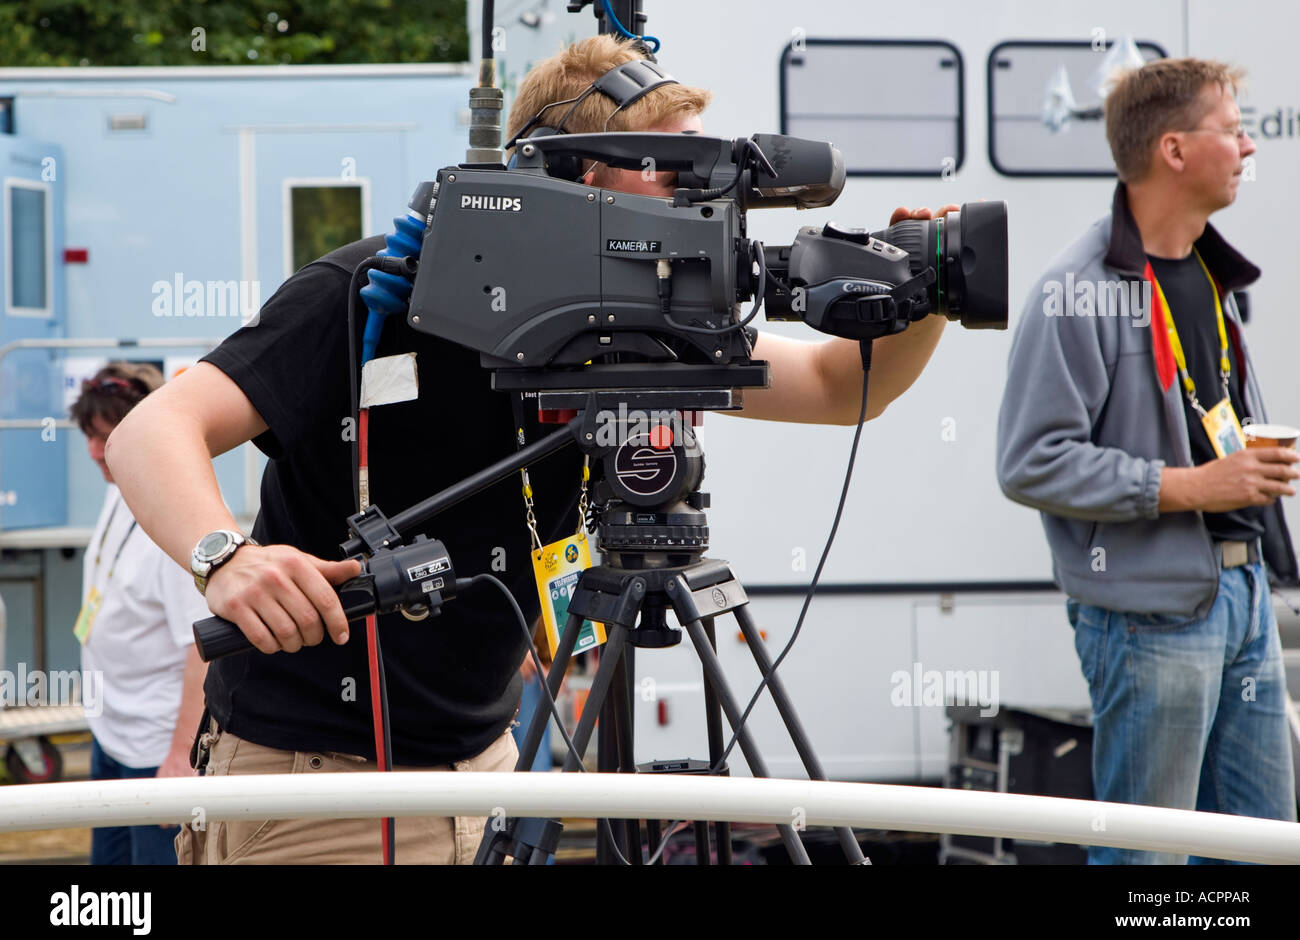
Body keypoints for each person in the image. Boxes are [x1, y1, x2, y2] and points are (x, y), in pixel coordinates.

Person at [106, 35, 958, 865]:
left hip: (487, 776)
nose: (698, 205)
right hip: (313, 794)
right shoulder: (372, 296)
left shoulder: (646, 320)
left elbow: (843, 388)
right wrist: (224, 556)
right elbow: (153, 430)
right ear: (573, 177)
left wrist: (926, 298)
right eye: (669, 171)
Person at [997, 58, 1298, 864]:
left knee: (1262, 851)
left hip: (1242, 594)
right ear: (1173, 149)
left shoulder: (1211, 272)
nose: (1248, 147)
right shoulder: (1073, 288)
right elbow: (1029, 461)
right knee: (1143, 862)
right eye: (1232, 130)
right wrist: (1191, 486)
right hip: (1151, 618)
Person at [71, 362, 210, 865]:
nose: (93, 451)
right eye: (89, 436)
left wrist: (180, 757)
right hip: (111, 728)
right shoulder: (119, 487)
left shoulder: (170, 521)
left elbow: (202, 648)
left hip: (155, 746)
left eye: (104, 438)